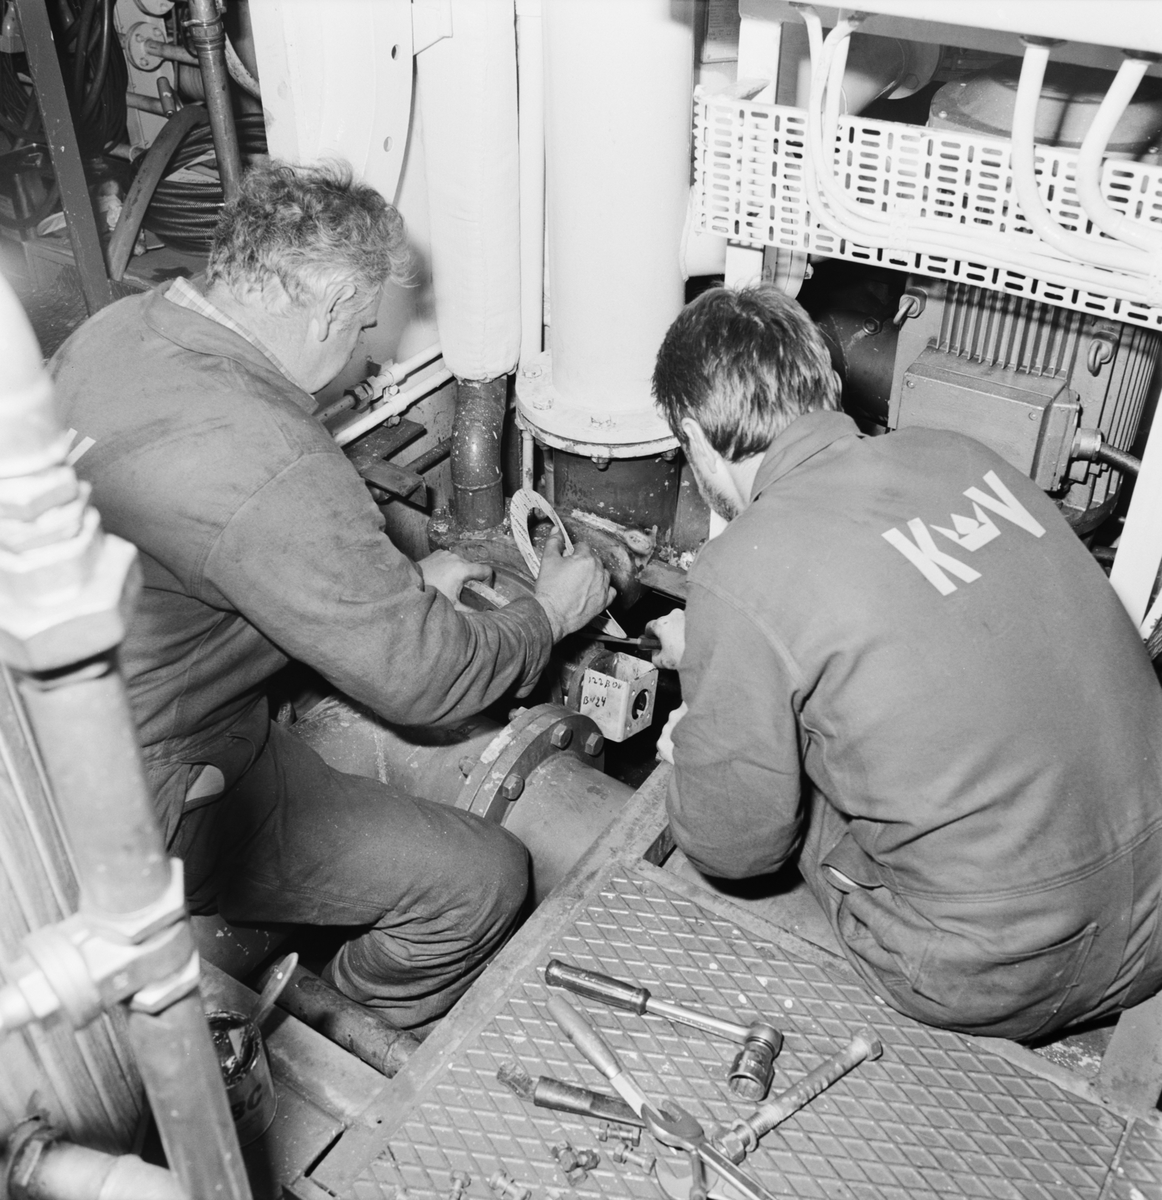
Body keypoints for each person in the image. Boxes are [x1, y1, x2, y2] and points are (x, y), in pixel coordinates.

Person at [50, 159, 612, 1030]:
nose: (363, 353)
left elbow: (207, 557)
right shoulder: (268, 458)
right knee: (481, 880)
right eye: (363, 329)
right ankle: (327, 1028)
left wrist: (400, 583)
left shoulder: (120, 330)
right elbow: (429, 682)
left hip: (57, 724)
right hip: (140, 790)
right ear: (325, 312)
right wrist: (554, 613)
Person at [647, 282, 1162, 1043]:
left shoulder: (742, 567)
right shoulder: (960, 453)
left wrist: (699, 733)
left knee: (780, 791)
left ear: (695, 436)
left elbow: (737, 850)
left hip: (999, 972)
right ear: (823, 380)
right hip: (1157, 916)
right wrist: (730, 651)